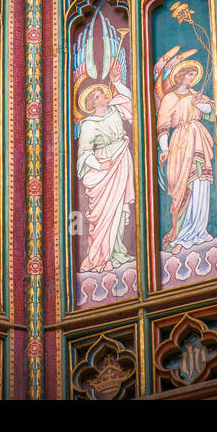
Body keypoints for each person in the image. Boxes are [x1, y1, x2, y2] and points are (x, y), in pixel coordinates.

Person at [75, 60, 135, 273]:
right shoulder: (88, 125)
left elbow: (131, 100)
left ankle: (118, 251)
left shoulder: (117, 109)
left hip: (121, 159)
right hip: (103, 168)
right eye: (97, 95)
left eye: (103, 93)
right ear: (91, 103)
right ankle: (100, 256)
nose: (103, 96)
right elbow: (84, 153)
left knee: (119, 209)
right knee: (103, 214)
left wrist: (117, 83)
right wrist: (100, 165)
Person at [156, 60, 215, 252]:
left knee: (201, 182)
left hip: (198, 137)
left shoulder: (195, 95)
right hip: (180, 142)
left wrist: (201, 105)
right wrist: (164, 149)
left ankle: (199, 230)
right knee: (182, 186)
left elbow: (212, 111)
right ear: (180, 76)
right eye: (189, 74)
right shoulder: (169, 98)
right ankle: (182, 234)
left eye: (193, 75)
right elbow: (163, 126)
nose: (192, 78)